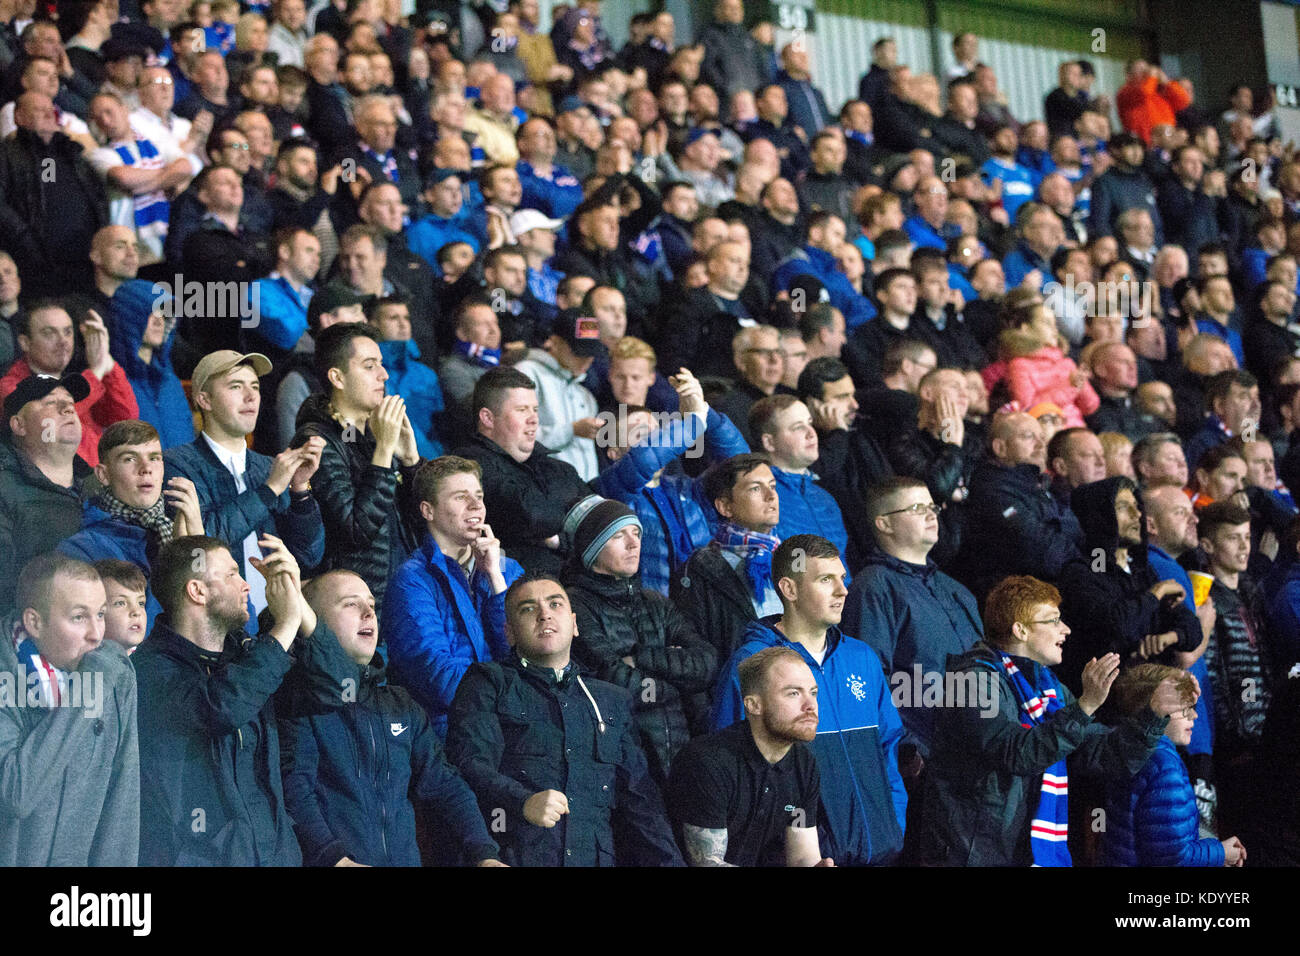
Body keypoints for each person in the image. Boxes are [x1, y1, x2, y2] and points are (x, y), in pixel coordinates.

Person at [922, 574, 1192, 866]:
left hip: (1020, 855)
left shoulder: (1049, 687)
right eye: (1053, 621)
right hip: (972, 855)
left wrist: (1154, 714)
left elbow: (1104, 754)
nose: (1066, 629)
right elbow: (1016, 753)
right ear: (1021, 630)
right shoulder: (972, 680)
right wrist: (1086, 704)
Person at [445, 573, 683, 867]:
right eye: (528, 609)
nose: (544, 614)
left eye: (555, 604)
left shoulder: (611, 700)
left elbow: (642, 804)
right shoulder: (488, 682)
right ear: (509, 633)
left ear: (575, 624)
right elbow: (468, 764)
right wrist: (522, 801)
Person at [278, 569, 505, 867]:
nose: (368, 613)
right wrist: (335, 858)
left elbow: (447, 786)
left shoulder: (400, 704)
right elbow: (294, 791)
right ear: (311, 622)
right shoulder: (300, 699)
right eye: (350, 604)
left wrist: (484, 854)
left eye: (371, 604)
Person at [711, 534, 908, 866]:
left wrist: (894, 827)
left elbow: (888, 748)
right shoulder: (753, 665)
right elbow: (732, 770)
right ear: (789, 590)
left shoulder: (862, 657)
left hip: (881, 853)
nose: (842, 590)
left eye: (842, 578)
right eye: (826, 580)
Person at [134, 534, 322, 865]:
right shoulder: (149, 668)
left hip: (275, 855)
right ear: (197, 591)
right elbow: (220, 707)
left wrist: (299, 607)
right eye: (232, 573)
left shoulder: (246, 657)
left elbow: (335, 686)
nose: (246, 584)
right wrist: (286, 624)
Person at [561, 495, 717, 788]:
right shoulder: (575, 605)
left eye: (636, 534)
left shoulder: (655, 602)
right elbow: (614, 684)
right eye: (619, 536)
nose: (634, 544)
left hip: (686, 753)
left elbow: (707, 664)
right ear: (592, 549)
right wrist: (680, 683)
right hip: (627, 763)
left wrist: (642, 658)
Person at [0, 553, 139, 866]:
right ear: (34, 622)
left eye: (101, 614)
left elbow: (121, 805)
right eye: (79, 617)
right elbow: (16, 793)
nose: (96, 634)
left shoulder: (113, 670)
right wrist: (89, 686)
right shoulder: (98, 672)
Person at [164, 350, 325, 616]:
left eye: (255, 387)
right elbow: (200, 550)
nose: (251, 397)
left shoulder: (268, 467)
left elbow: (308, 555)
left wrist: (300, 490)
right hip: (216, 617)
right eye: (236, 387)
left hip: (275, 617)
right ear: (204, 399)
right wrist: (270, 489)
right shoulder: (177, 464)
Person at [843, 478, 983, 763]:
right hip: (922, 761)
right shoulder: (873, 586)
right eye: (917, 508)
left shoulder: (957, 590)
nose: (931, 514)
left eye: (932, 506)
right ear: (884, 523)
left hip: (978, 752)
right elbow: (867, 677)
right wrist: (906, 747)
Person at [382, 456, 523, 738]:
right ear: (428, 510)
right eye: (461, 497)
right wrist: (514, 693)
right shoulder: (411, 580)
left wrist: (496, 581)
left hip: (513, 726)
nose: (476, 506)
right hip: (450, 735)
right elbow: (439, 680)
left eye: (479, 496)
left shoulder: (507, 569)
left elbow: (527, 653)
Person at [292, 323, 421, 612]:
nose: (384, 374)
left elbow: (422, 523)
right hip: (353, 608)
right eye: (369, 365)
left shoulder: (374, 434)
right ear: (337, 377)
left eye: (382, 364)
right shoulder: (317, 440)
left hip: (401, 594)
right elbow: (355, 530)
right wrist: (385, 452)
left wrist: (411, 462)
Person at [666, 646, 829, 866]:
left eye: (813, 692)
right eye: (793, 693)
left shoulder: (804, 764)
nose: (811, 706)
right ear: (753, 705)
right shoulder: (706, 762)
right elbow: (708, 863)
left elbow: (802, 857)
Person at [1057, 477, 1204, 693]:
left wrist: (1169, 638)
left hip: (1148, 701)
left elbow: (1192, 630)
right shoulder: (1082, 572)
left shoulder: (1142, 572)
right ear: (1101, 515)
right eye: (1124, 507)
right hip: (1104, 710)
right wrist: (1157, 593)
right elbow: (1114, 624)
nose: (1138, 515)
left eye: (1137, 507)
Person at [59, 420, 206, 628]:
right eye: (129, 459)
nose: (146, 469)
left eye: (154, 458)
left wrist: (199, 543)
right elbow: (131, 630)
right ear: (103, 474)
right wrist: (178, 563)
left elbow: (220, 613)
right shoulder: (81, 549)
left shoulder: (184, 527)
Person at [1100, 663, 1245, 866]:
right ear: (1157, 709)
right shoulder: (1164, 766)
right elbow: (1171, 856)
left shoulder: (1126, 749)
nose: (1194, 716)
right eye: (1184, 708)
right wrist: (1221, 852)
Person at [454, 367, 592, 574]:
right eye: (522, 410)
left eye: (535, 409)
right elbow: (532, 516)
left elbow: (597, 521)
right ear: (488, 418)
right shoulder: (469, 467)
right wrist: (568, 529)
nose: (534, 419)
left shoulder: (556, 468)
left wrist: (556, 540)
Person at [955, 411, 1084, 601]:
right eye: (1028, 436)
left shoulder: (1040, 485)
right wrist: (1083, 560)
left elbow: (1078, 530)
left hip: (1047, 593)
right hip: (1011, 602)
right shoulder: (990, 489)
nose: (1041, 445)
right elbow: (1043, 553)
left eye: (1042, 437)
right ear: (1000, 448)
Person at [673, 453, 783, 662]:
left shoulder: (791, 558)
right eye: (755, 488)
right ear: (725, 506)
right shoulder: (700, 570)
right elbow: (701, 652)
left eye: (773, 486)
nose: (771, 496)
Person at [0, 302, 138, 467]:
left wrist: (107, 363)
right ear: (25, 342)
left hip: (95, 481)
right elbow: (48, 424)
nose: (63, 341)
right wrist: (96, 372)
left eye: (67, 332)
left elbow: (124, 417)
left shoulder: (76, 381)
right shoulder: (10, 386)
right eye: (49, 333)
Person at [0, 374, 92, 614]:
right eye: (50, 402)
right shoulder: (4, 489)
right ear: (18, 425)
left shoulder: (101, 487)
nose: (68, 409)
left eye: (70, 402)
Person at [749, 394, 850, 560]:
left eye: (809, 423)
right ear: (769, 442)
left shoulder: (826, 498)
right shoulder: (762, 498)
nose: (811, 433)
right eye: (798, 427)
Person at [513, 311, 603, 481]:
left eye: (591, 352)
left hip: (586, 493)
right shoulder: (527, 373)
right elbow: (517, 437)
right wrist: (572, 430)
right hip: (544, 490)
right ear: (554, 342)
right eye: (579, 351)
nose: (587, 359)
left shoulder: (585, 395)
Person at [96, 559, 150, 653]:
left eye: (141, 603)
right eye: (120, 603)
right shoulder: (91, 664)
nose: (136, 612)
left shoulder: (150, 659)